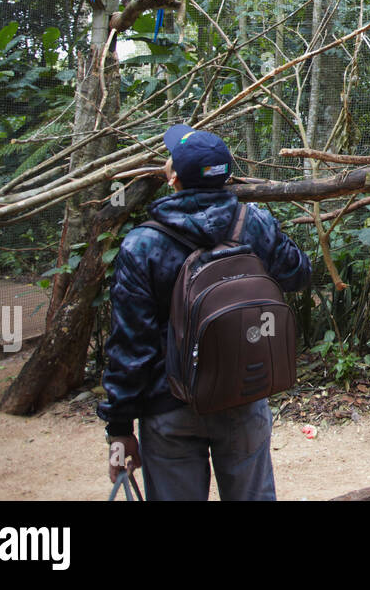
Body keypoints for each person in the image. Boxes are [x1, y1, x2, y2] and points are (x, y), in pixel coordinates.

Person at [98, 124, 312, 500]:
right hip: (243, 393)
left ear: (174, 178)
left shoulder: (142, 244)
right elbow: (299, 273)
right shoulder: (253, 223)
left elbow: (131, 346)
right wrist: (262, 232)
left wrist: (119, 428)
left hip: (169, 407)